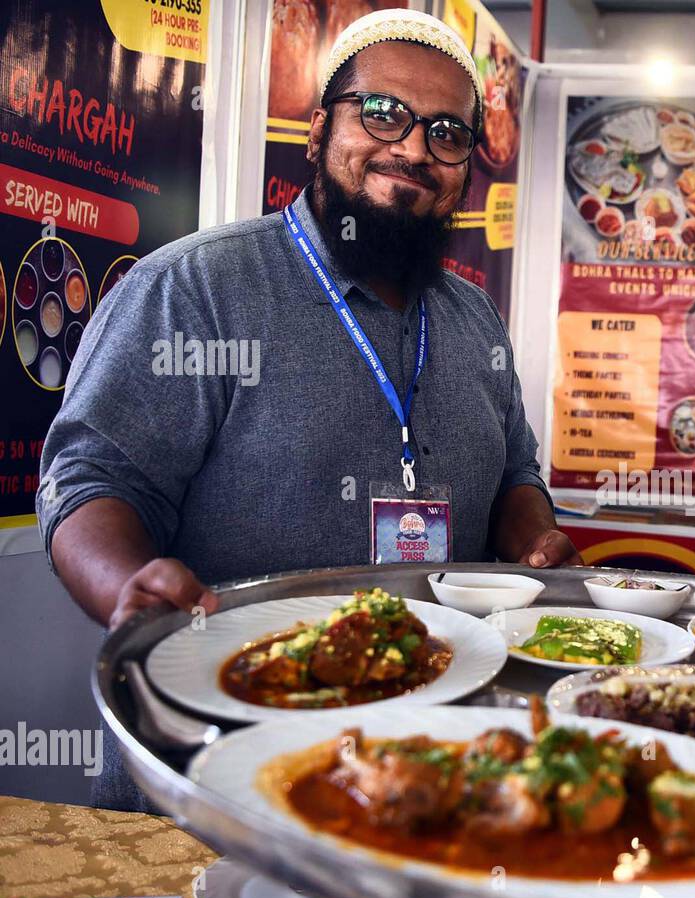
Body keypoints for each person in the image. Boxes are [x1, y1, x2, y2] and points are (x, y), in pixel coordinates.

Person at [37, 11, 578, 811]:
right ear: (320, 127)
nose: (413, 150)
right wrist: (126, 585)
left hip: (422, 764)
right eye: (383, 113)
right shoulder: (194, 290)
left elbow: (514, 474)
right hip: (219, 767)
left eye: (447, 134)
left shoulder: (474, 319)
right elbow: (89, 481)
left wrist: (532, 534)